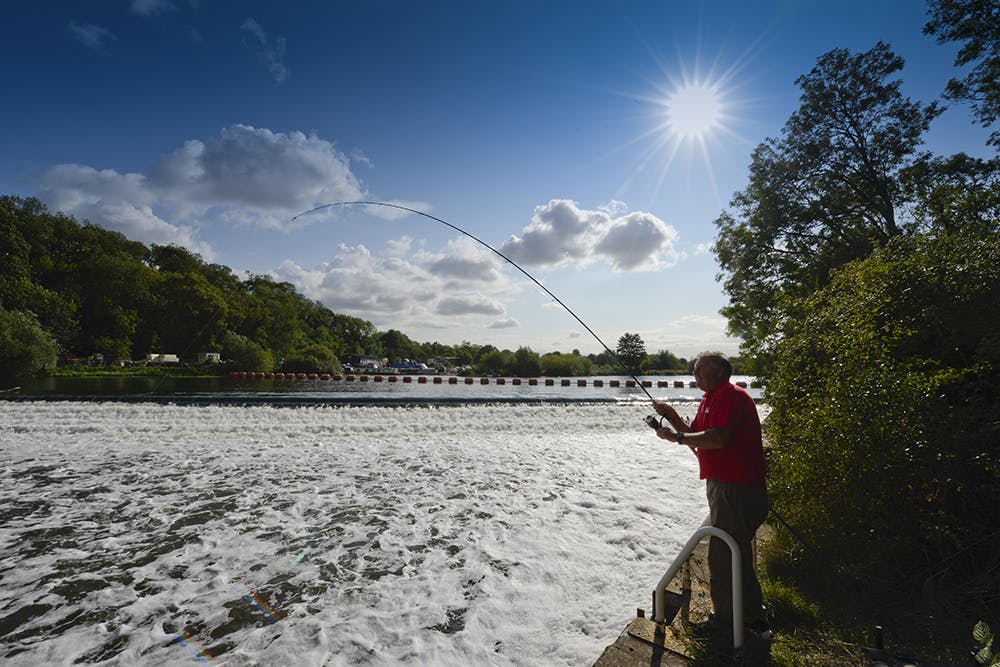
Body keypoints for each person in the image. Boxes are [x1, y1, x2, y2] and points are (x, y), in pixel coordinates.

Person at [652, 351, 771, 637]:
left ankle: (738, 624)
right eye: (693, 370)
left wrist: (677, 437)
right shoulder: (710, 399)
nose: (694, 375)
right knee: (733, 552)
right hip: (724, 485)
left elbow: (718, 438)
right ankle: (750, 620)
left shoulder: (731, 395)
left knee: (724, 555)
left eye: (699, 369)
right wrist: (671, 418)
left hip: (736, 487)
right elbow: (697, 439)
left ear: (720, 371)